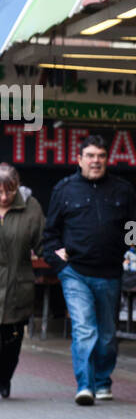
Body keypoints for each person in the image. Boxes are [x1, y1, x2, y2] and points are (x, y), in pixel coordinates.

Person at [43, 134, 136, 405]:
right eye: (90, 156)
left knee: (106, 335)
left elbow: (133, 226)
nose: (96, 161)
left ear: (107, 159)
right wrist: (58, 257)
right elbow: (51, 233)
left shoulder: (122, 190)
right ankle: (85, 385)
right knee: (85, 329)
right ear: (79, 159)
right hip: (75, 273)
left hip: (110, 273)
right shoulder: (64, 190)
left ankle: (103, 381)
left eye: (101, 156)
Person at [0, 163, 44, 398]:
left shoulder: (30, 207)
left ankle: (5, 377)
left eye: (10, 191)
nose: (5, 197)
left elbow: (42, 242)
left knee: (11, 342)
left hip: (18, 286)